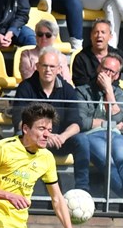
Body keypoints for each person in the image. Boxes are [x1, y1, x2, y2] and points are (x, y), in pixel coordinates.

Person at [9, 49, 89, 191]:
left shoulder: (68, 90)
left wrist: (62, 137)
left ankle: (82, 189)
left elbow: (77, 123)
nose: (48, 70)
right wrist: (45, 135)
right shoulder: (25, 88)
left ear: (59, 69)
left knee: (82, 140)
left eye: (52, 66)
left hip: (59, 141)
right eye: (44, 65)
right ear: (37, 66)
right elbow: (20, 122)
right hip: (33, 141)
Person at [83, 51, 123, 201]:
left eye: (111, 71)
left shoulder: (118, 94)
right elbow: (83, 121)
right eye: (104, 68)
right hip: (92, 135)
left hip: (114, 135)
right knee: (109, 162)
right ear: (98, 68)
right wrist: (110, 123)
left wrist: (108, 91)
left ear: (117, 76)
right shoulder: (82, 91)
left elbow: (119, 117)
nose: (106, 73)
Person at [71, 18, 123, 103]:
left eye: (103, 32)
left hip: (116, 98)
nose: (99, 35)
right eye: (96, 32)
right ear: (91, 36)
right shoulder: (81, 58)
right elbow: (82, 89)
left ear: (110, 36)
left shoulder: (117, 55)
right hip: (90, 101)